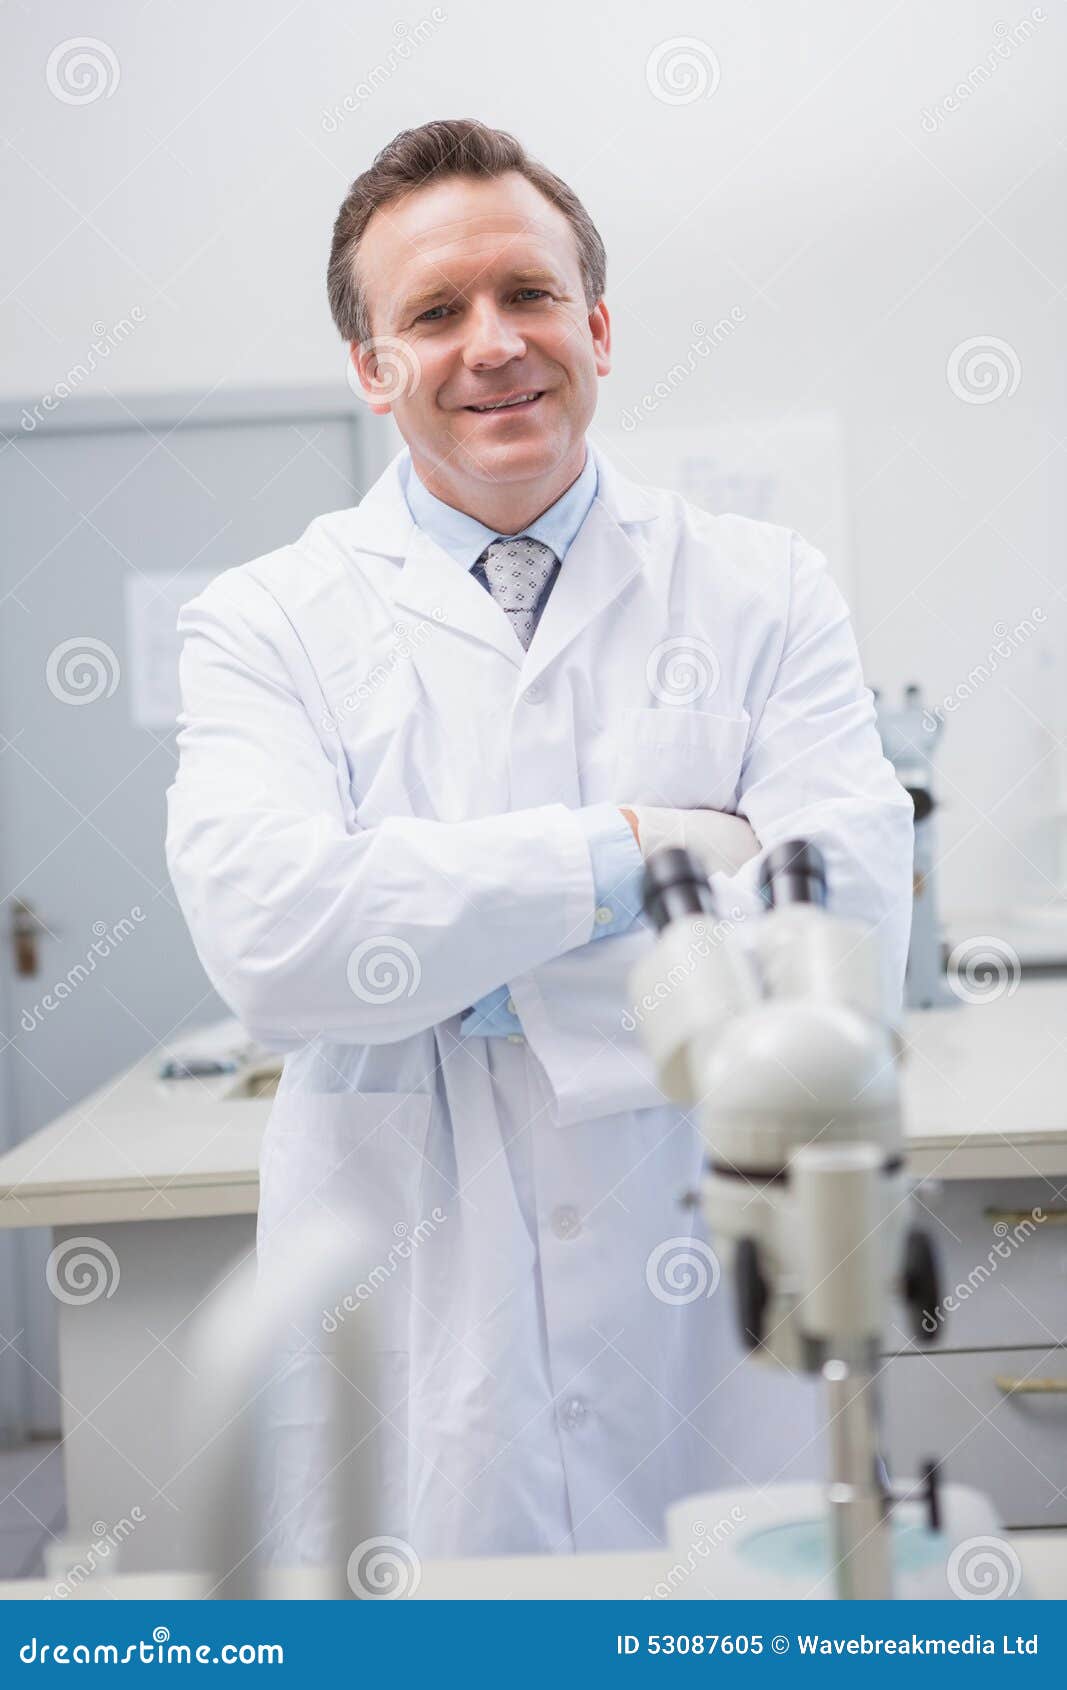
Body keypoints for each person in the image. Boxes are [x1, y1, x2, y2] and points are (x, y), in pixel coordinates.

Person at [165, 118, 914, 1571]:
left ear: (599, 326)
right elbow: (277, 943)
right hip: (416, 1304)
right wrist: (648, 850)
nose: (492, 342)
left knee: (732, 1627)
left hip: (707, 1292)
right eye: (434, 313)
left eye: (530, 294)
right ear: (371, 368)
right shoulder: (266, 621)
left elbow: (849, 949)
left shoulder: (763, 589)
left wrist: (465, 969)